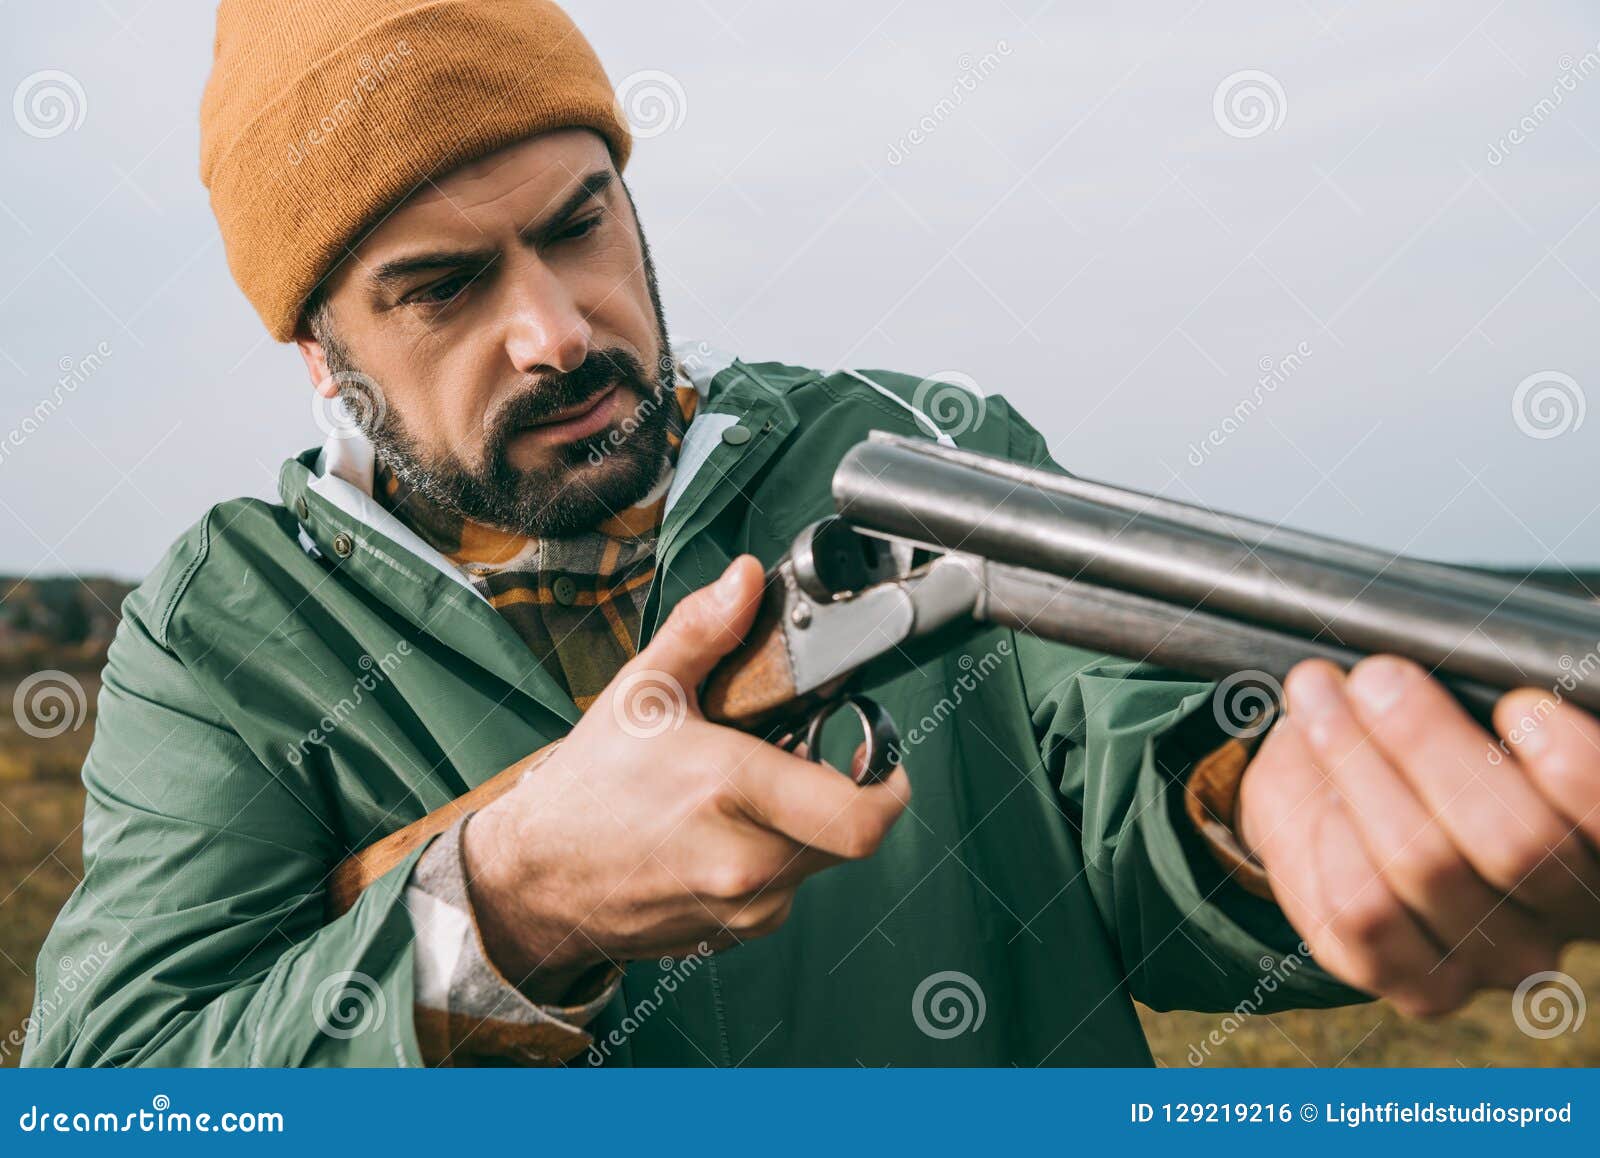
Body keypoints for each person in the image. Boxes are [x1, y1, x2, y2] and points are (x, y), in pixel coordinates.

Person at [24, 0, 1600, 1067]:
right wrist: (500, 908)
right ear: (318, 352)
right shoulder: (221, 625)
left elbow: (1140, 791)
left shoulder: (927, 454)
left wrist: (1259, 806)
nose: (558, 331)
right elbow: (118, 1092)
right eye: (443, 288)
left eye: (578, 223)